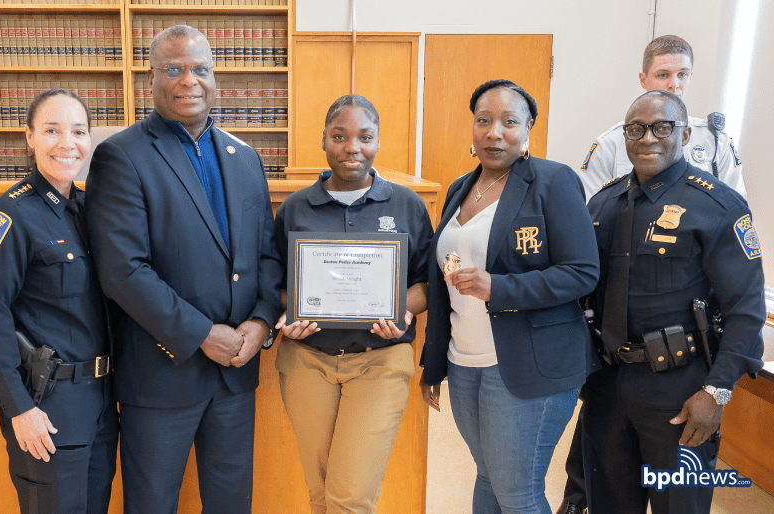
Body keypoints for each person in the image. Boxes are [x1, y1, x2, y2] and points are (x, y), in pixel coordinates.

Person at [87, 25, 281, 514]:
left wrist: (260, 323)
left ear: (216, 78)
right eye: (173, 69)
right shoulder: (121, 155)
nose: (188, 81)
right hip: (161, 376)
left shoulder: (246, 157)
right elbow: (123, 271)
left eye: (200, 69)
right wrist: (201, 334)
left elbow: (266, 255)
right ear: (150, 79)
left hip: (237, 371)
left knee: (232, 504)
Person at [559, 34, 749, 514]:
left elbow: (745, 307)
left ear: (685, 136)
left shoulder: (716, 206)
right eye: (636, 130)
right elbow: (579, 290)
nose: (647, 139)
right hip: (608, 387)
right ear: (623, 137)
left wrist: (716, 390)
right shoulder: (602, 205)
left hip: (680, 391)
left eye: (662, 128)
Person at [419, 79, 600, 514]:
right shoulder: (460, 187)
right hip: (465, 362)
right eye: (484, 121)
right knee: (488, 477)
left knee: (518, 491)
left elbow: (582, 272)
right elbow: (445, 283)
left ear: (528, 129)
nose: (494, 132)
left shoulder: (553, 181)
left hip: (526, 363)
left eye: (509, 122)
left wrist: (500, 288)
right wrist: (434, 363)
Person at [271, 94, 433, 513]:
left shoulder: (406, 205)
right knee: (321, 493)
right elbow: (276, 282)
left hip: (379, 360)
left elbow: (427, 281)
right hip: (307, 359)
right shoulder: (295, 208)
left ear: (378, 141)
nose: (352, 147)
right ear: (324, 140)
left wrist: (405, 310)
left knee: (350, 497)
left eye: (365, 136)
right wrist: (290, 312)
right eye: (339, 136)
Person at [0, 87, 118, 513]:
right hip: (48, 402)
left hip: (101, 399)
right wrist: (18, 408)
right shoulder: (11, 215)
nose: (66, 143)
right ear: (30, 137)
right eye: (52, 130)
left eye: (78, 131)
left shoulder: (91, 209)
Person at [578, 35, 746, 200]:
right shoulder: (610, 145)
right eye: (663, 75)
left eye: (682, 74)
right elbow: (591, 211)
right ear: (643, 80)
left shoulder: (715, 141)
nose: (675, 84)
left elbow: (736, 208)